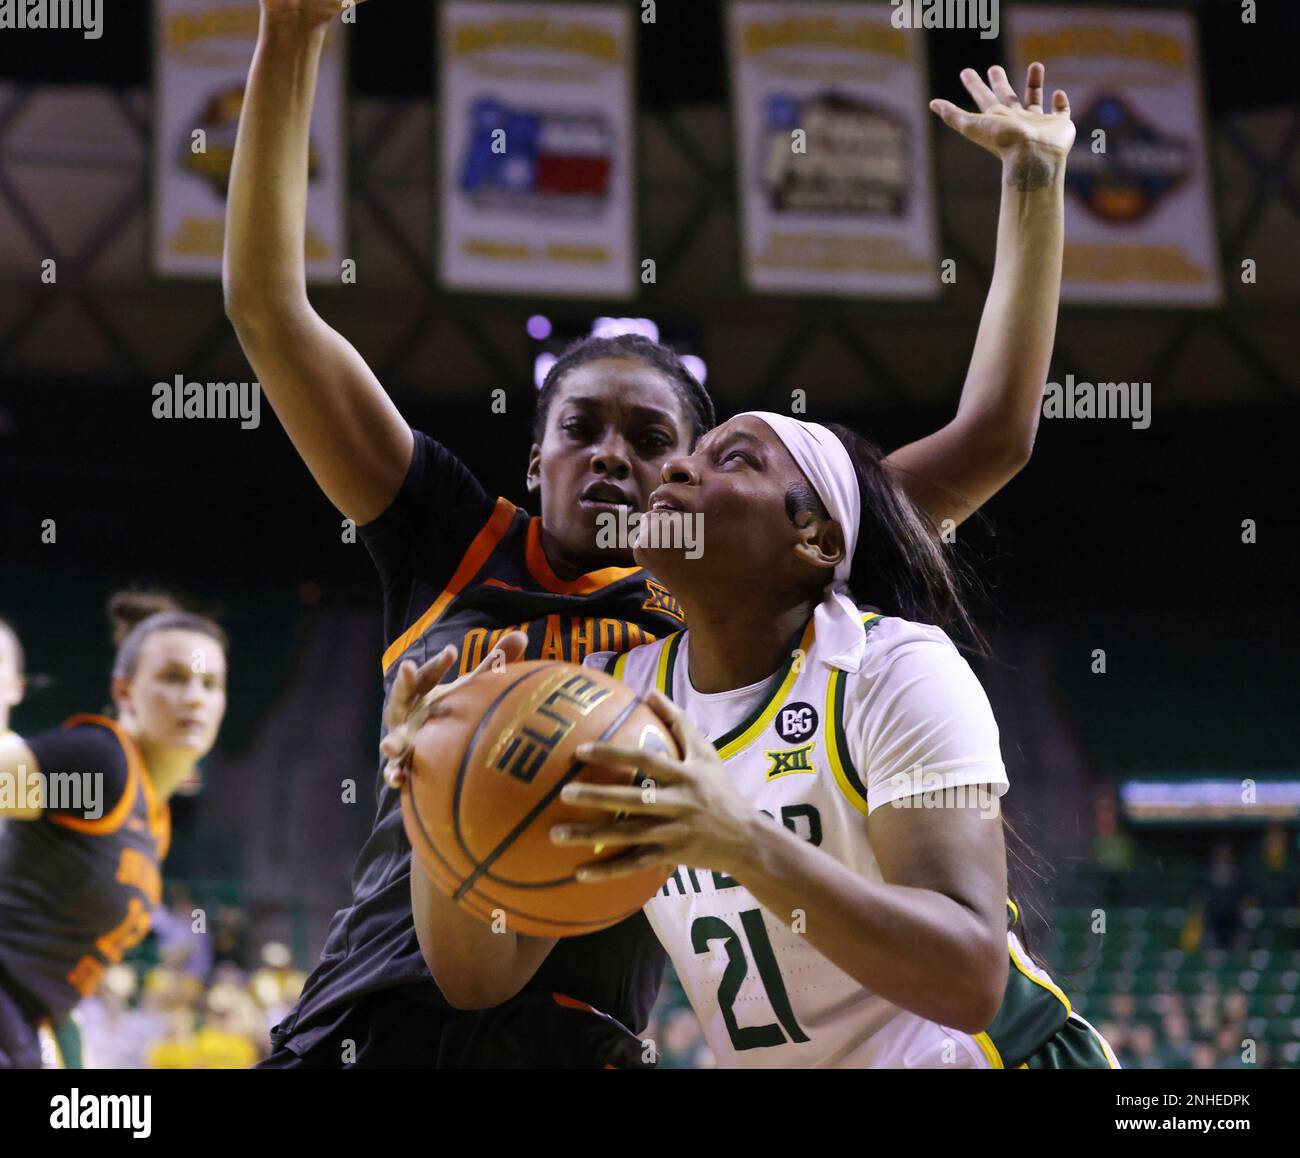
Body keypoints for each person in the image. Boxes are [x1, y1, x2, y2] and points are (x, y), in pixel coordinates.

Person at [229, 0, 1072, 1068]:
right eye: (580, 429)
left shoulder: (732, 596)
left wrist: (1035, 181)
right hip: (378, 1002)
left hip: (580, 1036)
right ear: (534, 462)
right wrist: (291, 36)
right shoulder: (450, 535)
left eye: (660, 438)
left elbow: (987, 437)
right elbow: (267, 309)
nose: (621, 459)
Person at [534, 412, 1118, 1067]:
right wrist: (432, 771)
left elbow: (970, 978)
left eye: (734, 459)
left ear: (817, 539)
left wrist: (743, 840)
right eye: (690, 454)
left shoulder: (889, 669)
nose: (675, 467)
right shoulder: (610, 699)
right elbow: (472, 977)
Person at [0, 593, 228, 1069]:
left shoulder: (153, 821)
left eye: (210, 684)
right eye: (174, 678)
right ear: (124, 691)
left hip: (27, 1029)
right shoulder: (104, 768)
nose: (194, 697)